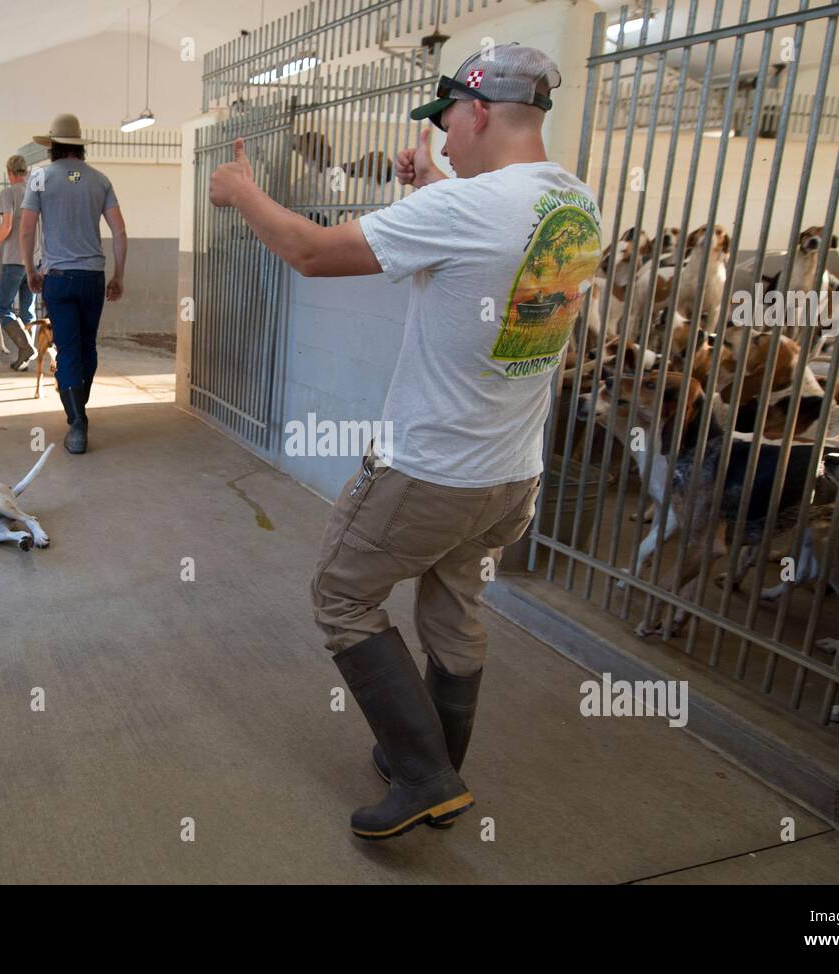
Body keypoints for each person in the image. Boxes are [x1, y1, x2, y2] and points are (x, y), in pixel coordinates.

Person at [209, 45, 602, 839]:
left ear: (479, 111)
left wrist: (245, 194)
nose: (443, 140)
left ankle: (422, 772)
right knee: (455, 611)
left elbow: (311, 253)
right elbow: (489, 251)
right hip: (511, 479)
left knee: (342, 595)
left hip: (431, 470)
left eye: (446, 122)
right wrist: (433, 189)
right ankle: (434, 770)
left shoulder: (467, 210)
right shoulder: (573, 204)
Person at [20, 113, 127, 454]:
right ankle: (79, 411)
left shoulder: (39, 178)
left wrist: (29, 270)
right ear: (79, 147)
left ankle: (77, 423)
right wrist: (118, 275)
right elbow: (120, 232)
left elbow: (26, 230)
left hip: (58, 278)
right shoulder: (100, 180)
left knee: (67, 350)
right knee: (87, 347)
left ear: (52, 147)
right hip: (92, 277)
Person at [0, 154, 37, 371]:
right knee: (28, 311)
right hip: (34, 260)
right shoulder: (36, 192)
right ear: (25, 172)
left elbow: (7, 225)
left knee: (3, 308)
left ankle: (26, 348)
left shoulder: (8, 193)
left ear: (9, 172)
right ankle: (24, 360)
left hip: (13, 259)